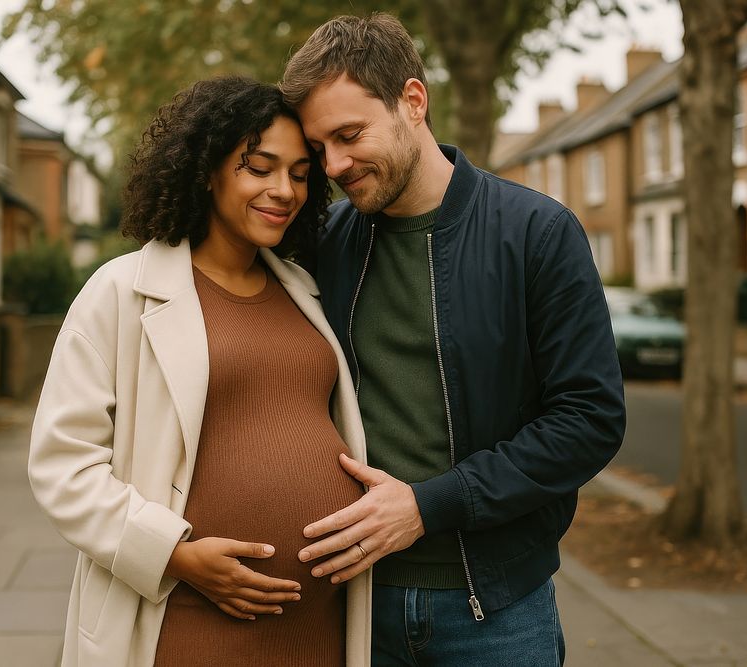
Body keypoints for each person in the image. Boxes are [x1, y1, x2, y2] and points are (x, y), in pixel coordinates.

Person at [280, 13, 626, 666]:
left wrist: (427, 505)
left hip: (497, 609)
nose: (335, 165)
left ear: (413, 101)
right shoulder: (324, 241)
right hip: (353, 604)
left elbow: (590, 418)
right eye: (319, 147)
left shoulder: (536, 234)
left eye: (349, 135)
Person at [27, 76, 372, 667]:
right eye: (258, 168)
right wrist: (174, 556)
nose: (283, 190)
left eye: (298, 173)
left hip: (320, 628)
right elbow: (63, 464)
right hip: (188, 620)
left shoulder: (302, 291)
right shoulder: (120, 292)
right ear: (209, 170)